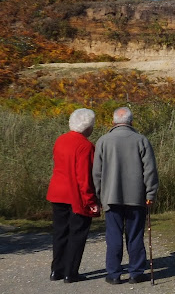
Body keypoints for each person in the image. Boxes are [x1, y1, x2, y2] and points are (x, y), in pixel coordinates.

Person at [92, 106, 159, 284]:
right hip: (136, 196)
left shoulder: (103, 141)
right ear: (131, 121)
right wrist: (150, 193)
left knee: (113, 235)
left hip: (111, 197)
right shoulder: (141, 140)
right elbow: (150, 170)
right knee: (135, 234)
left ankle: (113, 274)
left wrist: (99, 196)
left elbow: (96, 173)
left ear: (113, 122)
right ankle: (136, 272)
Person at [46, 108, 101, 283]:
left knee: (60, 232)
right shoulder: (85, 146)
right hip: (75, 194)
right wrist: (91, 200)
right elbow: (84, 177)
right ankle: (71, 272)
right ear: (88, 127)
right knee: (77, 233)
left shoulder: (60, 140)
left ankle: (57, 269)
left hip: (57, 191)